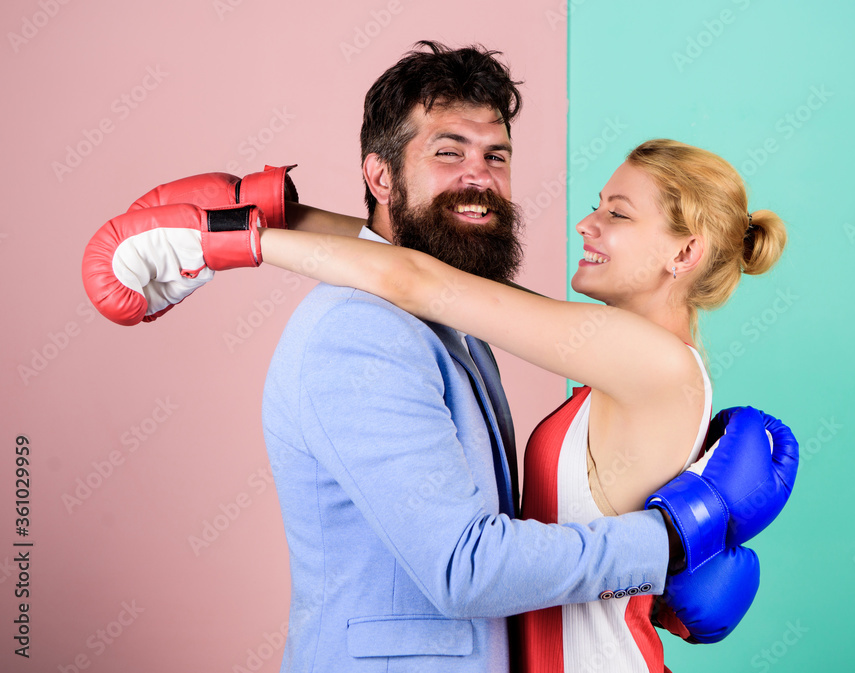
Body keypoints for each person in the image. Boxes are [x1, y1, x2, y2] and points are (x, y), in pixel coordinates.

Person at [82, 43, 797, 673]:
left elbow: (418, 276)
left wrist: (228, 238)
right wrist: (266, 212)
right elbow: (412, 271)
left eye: (618, 212)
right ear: (381, 174)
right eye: (449, 153)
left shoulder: (640, 355)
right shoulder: (383, 326)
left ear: (684, 251)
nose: (586, 221)